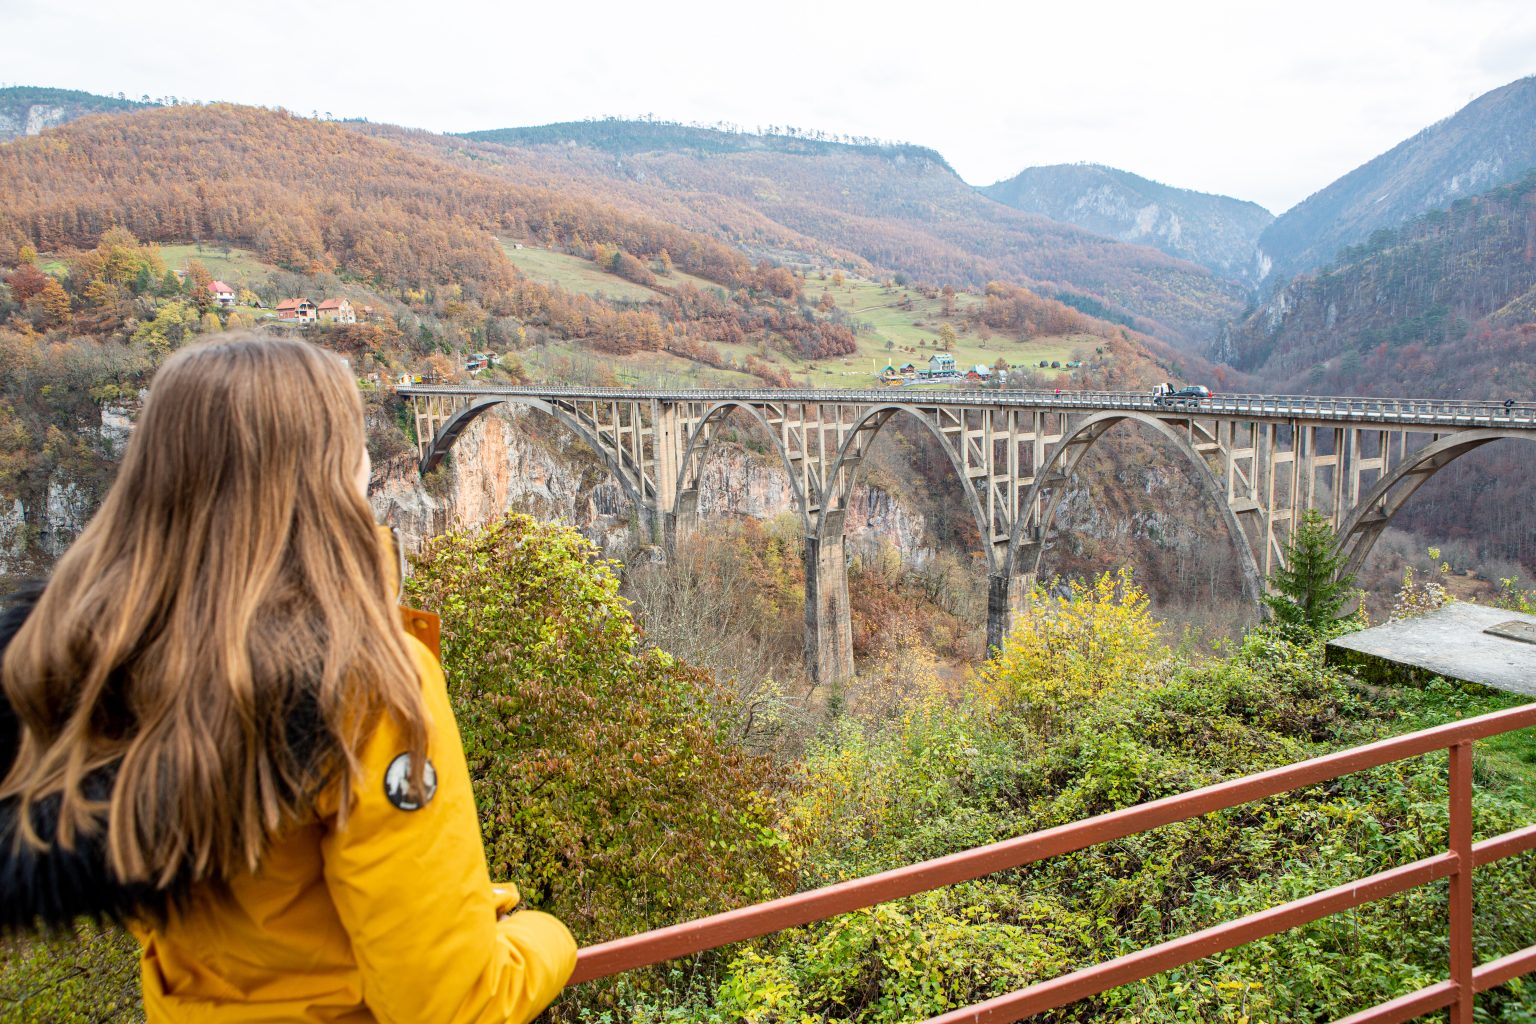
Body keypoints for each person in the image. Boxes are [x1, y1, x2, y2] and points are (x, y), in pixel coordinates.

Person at [0, 335, 576, 1023]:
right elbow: (452, 1005)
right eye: (354, 441)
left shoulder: (99, 668)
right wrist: (547, 937)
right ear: (328, 471)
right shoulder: (363, 684)